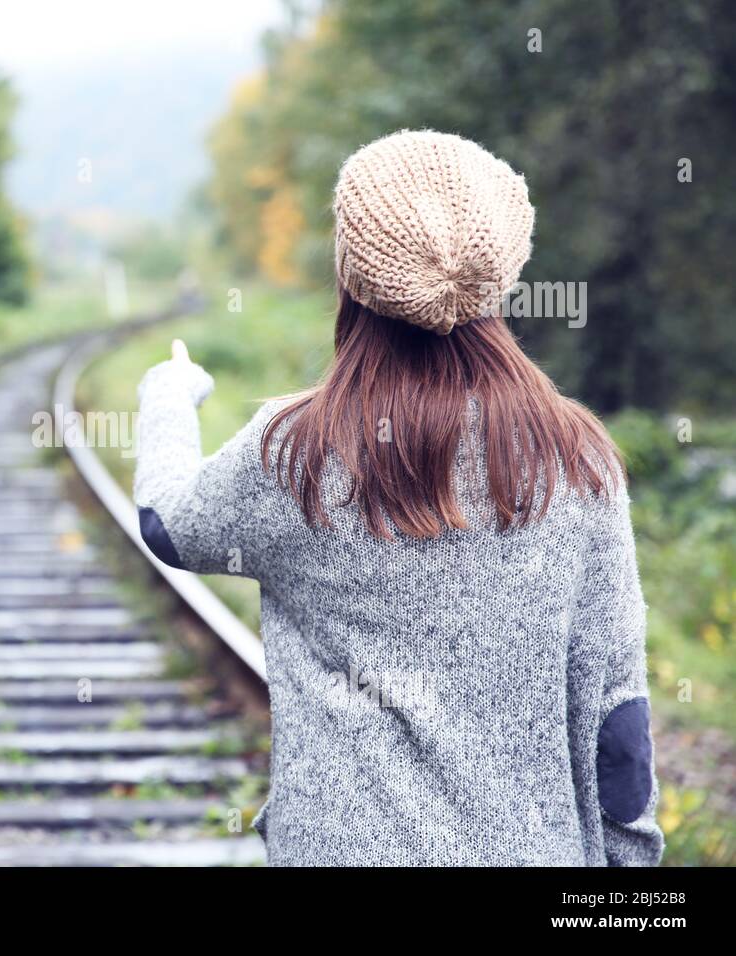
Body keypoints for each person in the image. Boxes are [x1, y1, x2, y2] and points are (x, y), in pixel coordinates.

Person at [133, 130, 663, 866]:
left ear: (353, 276)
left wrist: (166, 399)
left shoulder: (293, 452)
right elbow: (617, 722)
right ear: (503, 272)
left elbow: (168, 525)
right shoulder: (578, 461)